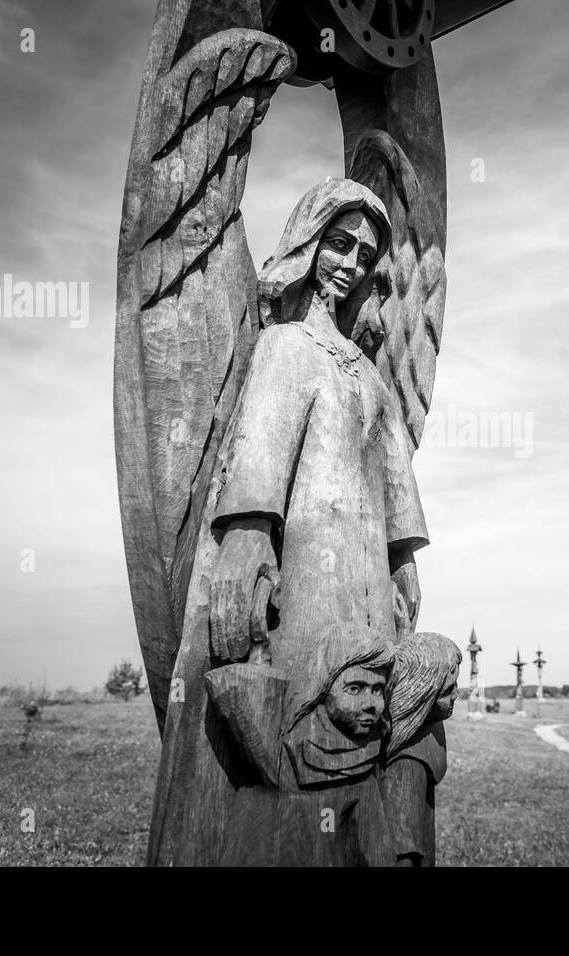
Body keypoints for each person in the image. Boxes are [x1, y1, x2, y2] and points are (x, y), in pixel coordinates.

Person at [146, 179, 430, 866]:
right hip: (305, 569)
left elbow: (396, 480)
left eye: (365, 255)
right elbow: (260, 450)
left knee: (371, 715)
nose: (352, 265)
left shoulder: (370, 374)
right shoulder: (286, 347)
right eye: (339, 244)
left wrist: (402, 558)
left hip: (365, 572)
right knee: (306, 720)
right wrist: (246, 540)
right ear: (309, 244)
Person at [381, 632, 462, 867]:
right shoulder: (405, 764)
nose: (456, 694)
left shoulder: (427, 727)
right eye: (448, 689)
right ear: (422, 692)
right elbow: (401, 846)